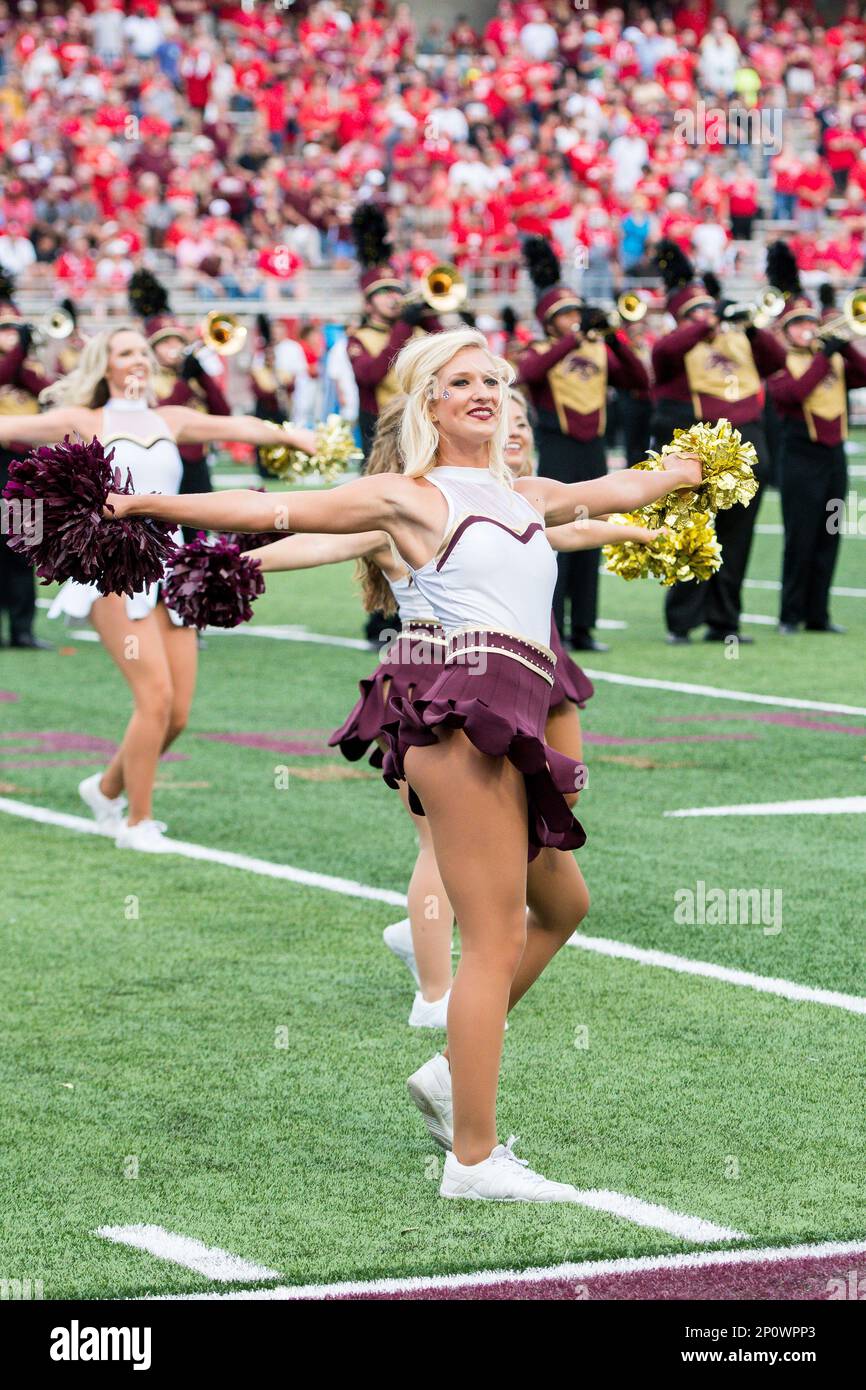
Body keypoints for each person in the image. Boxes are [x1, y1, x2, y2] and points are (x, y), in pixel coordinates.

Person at [104, 327, 701, 1202]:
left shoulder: (525, 491)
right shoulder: (410, 497)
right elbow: (274, 511)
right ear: (428, 403)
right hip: (458, 716)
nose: (486, 394)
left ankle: (459, 1069)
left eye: (495, 380)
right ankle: (473, 1158)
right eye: (461, 383)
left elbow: (604, 488)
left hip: (515, 711)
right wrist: (146, 512)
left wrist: (685, 475)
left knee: (564, 903)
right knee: (493, 936)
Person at [0, 326, 315, 852]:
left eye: (143, 353)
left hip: (171, 568)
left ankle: (105, 789)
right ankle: (136, 823)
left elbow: (240, 425)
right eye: (126, 353)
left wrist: (291, 436)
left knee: (178, 712)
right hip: (112, 571)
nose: (138, 361)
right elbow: (14, 428)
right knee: (154, 698)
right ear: (105, 366)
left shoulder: (172, 419)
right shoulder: (83, 421)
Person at [517, 237, 649, 652]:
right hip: (557, 451)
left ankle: (585, 628)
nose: (574, 319)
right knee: (555, 541)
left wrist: (611, 339)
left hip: (592, 450)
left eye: (576, 311)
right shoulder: (540, 349)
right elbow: (533, 373)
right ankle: (552, 629)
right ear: (548, 321)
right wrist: (574, 340)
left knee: (592, 537)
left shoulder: (598, 347)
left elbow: (640, 382)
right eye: (564, 314)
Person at [651, 242, 785, 644]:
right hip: (698, 452)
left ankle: (725, 622)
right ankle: (681, 621)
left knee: (737, 541)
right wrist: (705, 324)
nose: (708, 316)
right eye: (697, 312)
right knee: (694, 535)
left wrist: (751, 327)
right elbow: (665, 352)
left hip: (745, 454)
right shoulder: (675, 345)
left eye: (709, 309)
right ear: (683, 318)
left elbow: (775, 360)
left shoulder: (739, 339)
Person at [768, 296, 866, 635]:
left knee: (829, 535)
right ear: (785, 331)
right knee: (801, 537)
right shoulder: (778, 362)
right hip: (799, 457)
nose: (807, 328)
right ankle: (790, 614)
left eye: (810, 321)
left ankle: (818, 614)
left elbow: (864, 374)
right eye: (798, 323)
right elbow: (795, 393)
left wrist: (846, 345)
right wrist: (825, 355)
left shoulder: (833, 358)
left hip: (834, 457)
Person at [0, 300, 53, 650]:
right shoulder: (11, 363)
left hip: (23, 467)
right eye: (5, 329)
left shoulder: (28, 364)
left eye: (15, 328)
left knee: (21, 546)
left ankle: (22, 630)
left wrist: (23, 354)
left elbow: (46, 393)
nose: (11, 336)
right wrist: (18, 350)